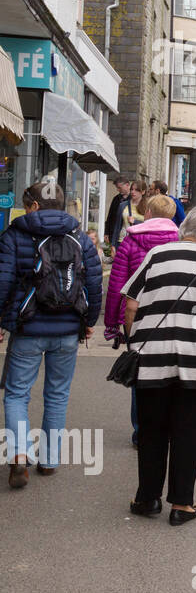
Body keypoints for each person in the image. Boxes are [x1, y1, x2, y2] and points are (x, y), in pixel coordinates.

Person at [122, 207, 196, 524]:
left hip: (153, 358)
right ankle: (181, 505)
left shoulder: (157, 256)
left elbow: (131, 306)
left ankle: (147, 499)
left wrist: (135, 344)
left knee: (152, 430)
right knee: (189, 431)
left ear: (183, 228)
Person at [0, 182, 102, 487]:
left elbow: (3, 282)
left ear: (32, 206)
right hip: (68, 326)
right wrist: (89, 320)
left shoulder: (14, 236)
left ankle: (19, 456)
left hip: (28, 326)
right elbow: (94, 285)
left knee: (17, 392)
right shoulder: (80, 237)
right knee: (57, 394)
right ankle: (49, 460)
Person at [105, 195, 180, 448]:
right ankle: (167, 430)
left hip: (136, 319)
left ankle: (141, 433)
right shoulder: (179, 241)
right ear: (171, 216)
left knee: (139, 375)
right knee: (170, 375)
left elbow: (117, 284)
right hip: (171, 318)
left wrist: (111, 324)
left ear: (147, 213)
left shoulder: (130, 240)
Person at [104, 176, 131, 255]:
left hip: (127, 234)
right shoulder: (116, 198)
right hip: (115, 234)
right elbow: (110, 216)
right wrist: (106, 232)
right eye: (117, 188)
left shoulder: (132, 199)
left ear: (127, 185)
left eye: (119, 187)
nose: (118, 190)